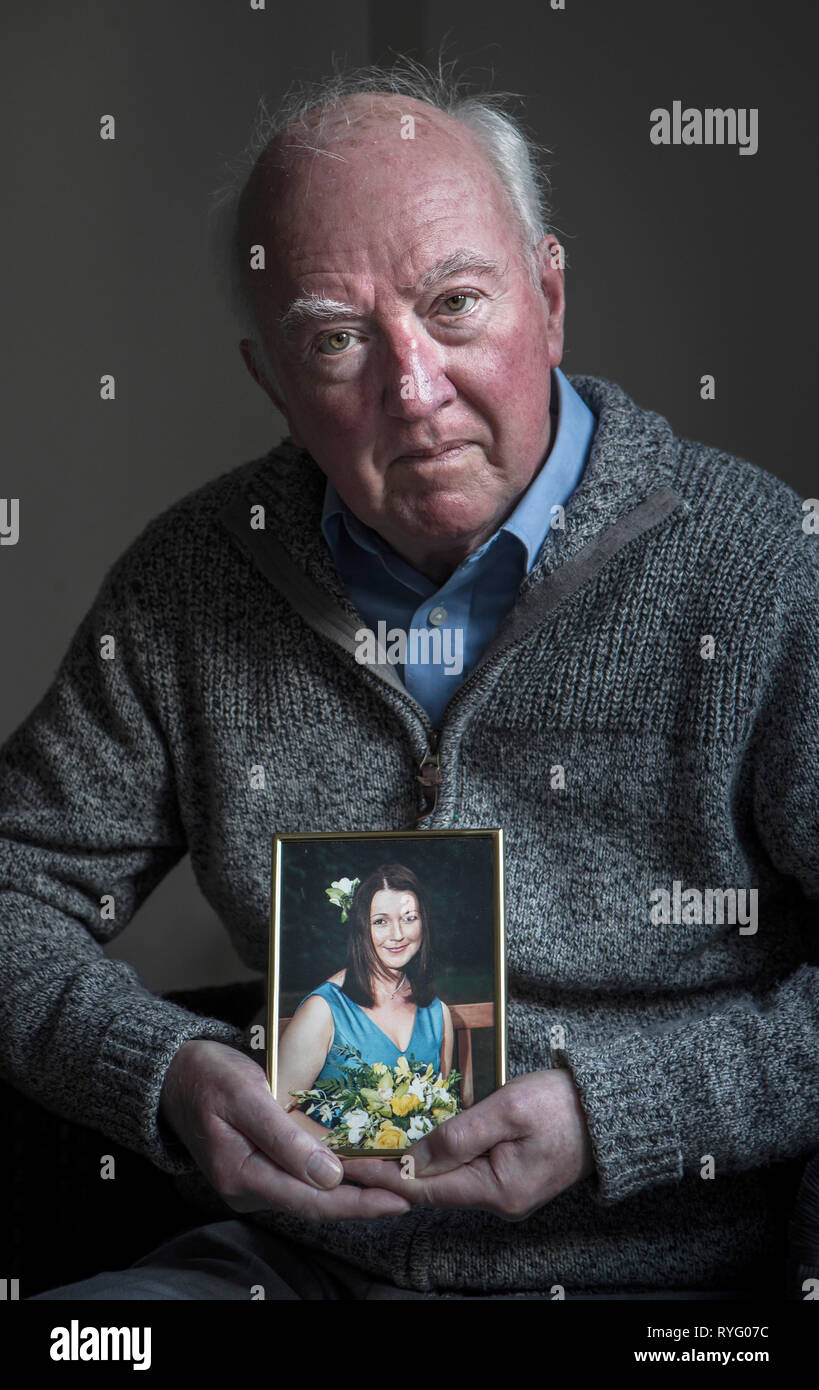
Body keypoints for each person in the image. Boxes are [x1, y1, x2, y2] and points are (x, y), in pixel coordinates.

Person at [6, 55, 817, 1300]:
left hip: (674, 1285)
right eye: (336, 342)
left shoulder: (759, 571)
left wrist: (623, 1111)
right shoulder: (187, 585)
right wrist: (160, 1068)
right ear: (270, 380)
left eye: (454, 305)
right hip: (296, 1265)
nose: (415, 391)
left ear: (550, 298)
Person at [278, 864, 455, 1145]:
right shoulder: (323, 1010)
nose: (397, 934)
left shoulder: (437, 1014)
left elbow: (443, 1112)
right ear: (361, 928)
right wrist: (362, 1155)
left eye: (409, 918)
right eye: (381, 922)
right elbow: (278, 1113)